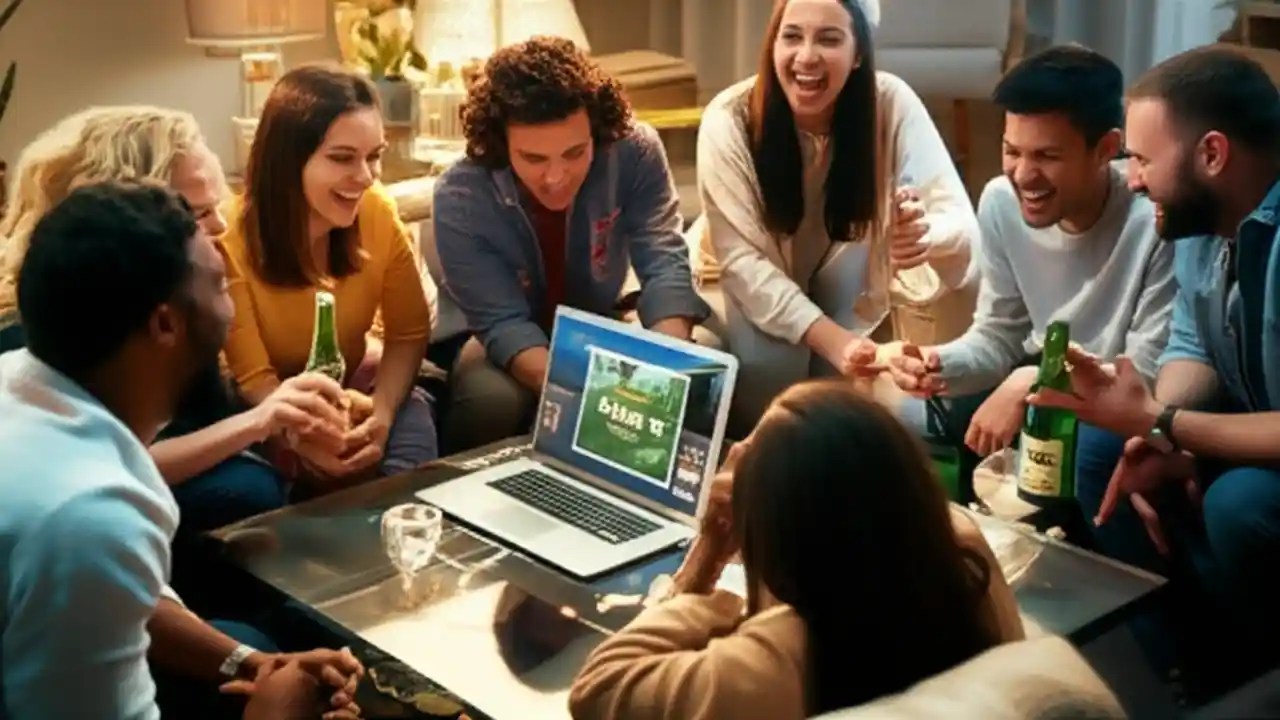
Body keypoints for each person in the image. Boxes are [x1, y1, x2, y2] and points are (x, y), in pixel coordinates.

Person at [0, 182, 362, 719]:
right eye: (219, 285)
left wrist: (252, 665)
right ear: (165, 323)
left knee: (247, 640)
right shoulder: (89, 514)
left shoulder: (18, 380)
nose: (232, 306)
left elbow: (117, 592)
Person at [0, 107, 349, 585]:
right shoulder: (45, 337)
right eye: (197, 212)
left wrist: (288, 429)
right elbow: (98, 463)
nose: (221, 228)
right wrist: (257, 424)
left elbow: (219, 407)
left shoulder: (186, 298)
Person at [1028, 46, 1280, 689]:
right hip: (1249, 435)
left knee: (1239, 503)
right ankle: (1183, 660)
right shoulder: (1201, 225)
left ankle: (1257, 676)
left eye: (1142, 159)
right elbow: (1192, 349)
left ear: (1212, 154)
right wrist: (1152, 433)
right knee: (1103, 451)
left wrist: (1164, 423)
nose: (1132, 180)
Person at [567, 380, 1023, 720]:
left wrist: (706, 561)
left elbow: (597, 688)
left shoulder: (774, 662)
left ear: (783, 538)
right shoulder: (965, 570)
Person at [697, 0, 978, 435]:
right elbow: (746, 267)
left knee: (898, 424)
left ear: (858, 53)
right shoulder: (729, 118)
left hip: (845, 302)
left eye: (829, 39)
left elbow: (956, 218)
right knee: (771, 406)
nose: (807, 56)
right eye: (792, 36)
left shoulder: (890, 102)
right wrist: (841, 345)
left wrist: (924, 233)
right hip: (739, 297)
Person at [884, 46, 1175, 462]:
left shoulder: (1154, 219)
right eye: (1012, 151)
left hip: (1111, 409)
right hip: (1039, 379)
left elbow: (1141, 377)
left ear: (1106, 148)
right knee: (904, 417)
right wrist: (934, 362)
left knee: (1087, 448)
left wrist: (1032, 382)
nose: (1023, 175)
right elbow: (997, 337)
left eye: (1047, 156)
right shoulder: (1001, 202)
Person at [434, 36, 711, 452]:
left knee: (700, 372)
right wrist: (597, 398)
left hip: (604, 320)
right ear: (500, 145)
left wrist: (668, 369)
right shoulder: (460, 196)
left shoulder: (634, 151)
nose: (556, 177)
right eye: (534, 159)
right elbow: (503, 325)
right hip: (508, 340)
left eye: (575, 153)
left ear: (596, 133)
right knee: (491, 400)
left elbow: (664, 261)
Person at [220, 64, 438, 487]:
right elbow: (254, 380)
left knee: (412, 426)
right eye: (342, 158)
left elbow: (409, 332)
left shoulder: (376, 210)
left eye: (373, 156)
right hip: (263, 412)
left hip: (352, 396)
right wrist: (305, 437)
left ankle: (399, 518)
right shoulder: (230, 237)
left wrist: (382, 414)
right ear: (288, 161)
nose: (366, 177)